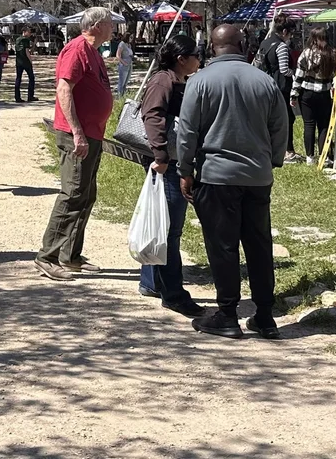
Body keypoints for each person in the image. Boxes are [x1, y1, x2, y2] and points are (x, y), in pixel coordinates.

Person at [175, 24, 289, 338]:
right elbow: (281, 126)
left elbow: (187, 132)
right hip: (257, 175)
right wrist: (272, 160)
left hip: (216, 175)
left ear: (211, 47)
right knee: (259, 244)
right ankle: (264, 315)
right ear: (243, 44)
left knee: (222, 245)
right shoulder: (264, 80)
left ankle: (227, 313)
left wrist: (185, 171)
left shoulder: (199, 82)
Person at [34, 7, 116, 281]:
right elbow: (64, 88)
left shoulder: (95, 52)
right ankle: (48, 256)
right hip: (77, 136)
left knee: (86, 194)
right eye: (109, 22)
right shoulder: (76, 48)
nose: (113, 26)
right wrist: (77, 132)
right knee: (71, 194)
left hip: (93, 134)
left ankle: (71, 255)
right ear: (95, 26)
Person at [136, 34, 204, 316]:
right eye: (195, 54)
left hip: (172, 160)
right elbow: (152, 116)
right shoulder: (163, 81)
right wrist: (162, 156)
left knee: (161, 224)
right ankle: (173, 293)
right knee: (170, 230)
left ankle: (151, 281)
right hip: (167, 163)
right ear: (181, 59)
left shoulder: (175, 80)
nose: (199, 59)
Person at [290, 27, 336, 163]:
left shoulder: (306, 53)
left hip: (307, 93)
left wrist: (294, 95)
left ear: (314, 39)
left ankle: (310, 157)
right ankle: (324, 156)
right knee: (323, 125)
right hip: (325, 93)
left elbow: (299, 76)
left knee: (309, 125)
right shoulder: (332, 53)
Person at [255, 12, 295, 159]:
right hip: (281, 87)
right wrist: (294, 73)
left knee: (267, 119)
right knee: (286, 119)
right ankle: (287, 150)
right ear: (285, 31)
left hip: (265, 85)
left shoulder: (265, 43)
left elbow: (257, 64)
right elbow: (284, 69)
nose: (290, 37)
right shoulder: (281, 46)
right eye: (290, 34)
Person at [13, 27, 37, 103]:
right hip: (25, 62)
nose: (30, 34)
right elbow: (27, 51)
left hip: (18, 61)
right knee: (31, 78)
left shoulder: (17, 39)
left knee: (18, 79)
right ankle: (30, 96)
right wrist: (31, 61)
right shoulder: (26, 40)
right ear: (25, 32)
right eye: (29, 32)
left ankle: (17, 97)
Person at [115, 35, 135, 100]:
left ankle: (123, 96)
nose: (131, 39)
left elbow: (130, 54)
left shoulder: (129, 45)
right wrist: (123, 62)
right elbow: (118, 55)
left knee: (126, 82)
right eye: (130, 37)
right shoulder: (122, 44)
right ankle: (119, 97)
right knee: (122, 82)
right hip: (124, 65)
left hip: (130, 64)